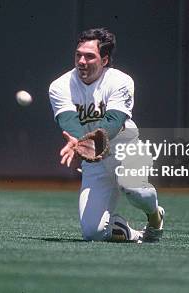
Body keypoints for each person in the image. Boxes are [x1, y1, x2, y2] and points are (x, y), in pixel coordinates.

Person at [48, 27, 164, 242]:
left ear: (105, 60)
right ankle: (129, 232)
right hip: (94, 162)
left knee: (135, 189)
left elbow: (114, 121)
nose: (81, 61)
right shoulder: (59, 86)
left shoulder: (120, 81)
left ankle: (155, 218)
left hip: (126, 149)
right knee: (93, 233)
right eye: (78, 54)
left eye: (89, 56)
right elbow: (68, 120)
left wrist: (86, 140)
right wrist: (76, 138)